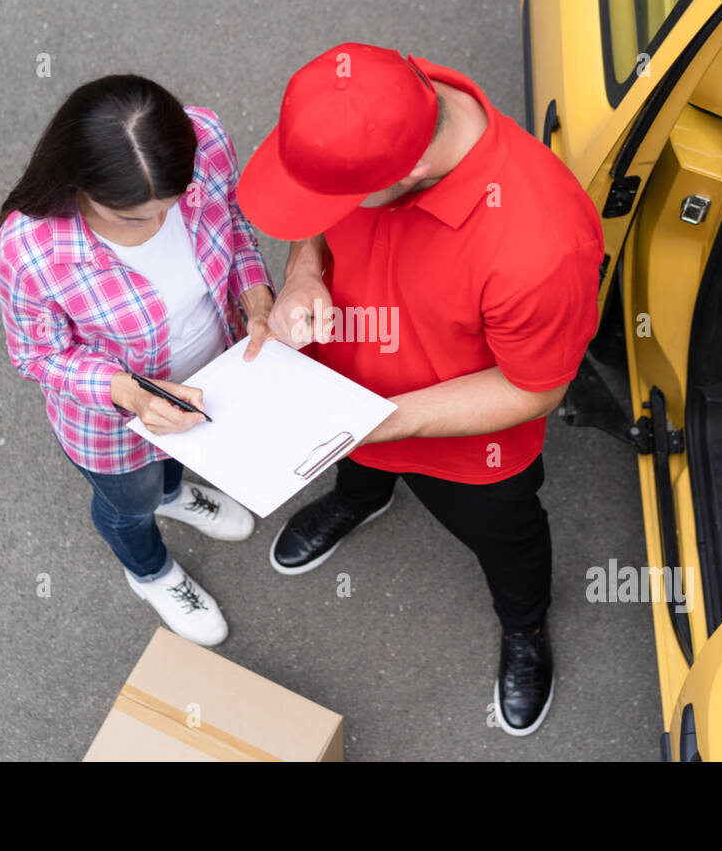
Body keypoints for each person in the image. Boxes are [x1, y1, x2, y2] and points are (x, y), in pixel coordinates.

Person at [236, 43, 603, 734]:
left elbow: (534, 387)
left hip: (466, 452)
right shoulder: (366, 104)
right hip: (342, 394)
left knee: (506, 539)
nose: (323, 209)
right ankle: (360, 499)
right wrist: (304, 274)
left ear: (411, 170)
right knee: (357, 472)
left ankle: (524, 627)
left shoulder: (542, 244)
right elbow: (319, 213)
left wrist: (382, 421)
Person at [0, 74, 276, 647]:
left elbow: (236, 229)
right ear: (76, 186)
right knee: (129, 502)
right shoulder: (30, 249)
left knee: (171, 469)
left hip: (209, 367)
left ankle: (175, 494)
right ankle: (151, 572)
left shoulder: (207, 139)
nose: (158, 227)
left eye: (171, 207)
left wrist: (257, 294)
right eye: (132, 219)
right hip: (112, 421)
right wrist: (132, 393)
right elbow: (37, 355)